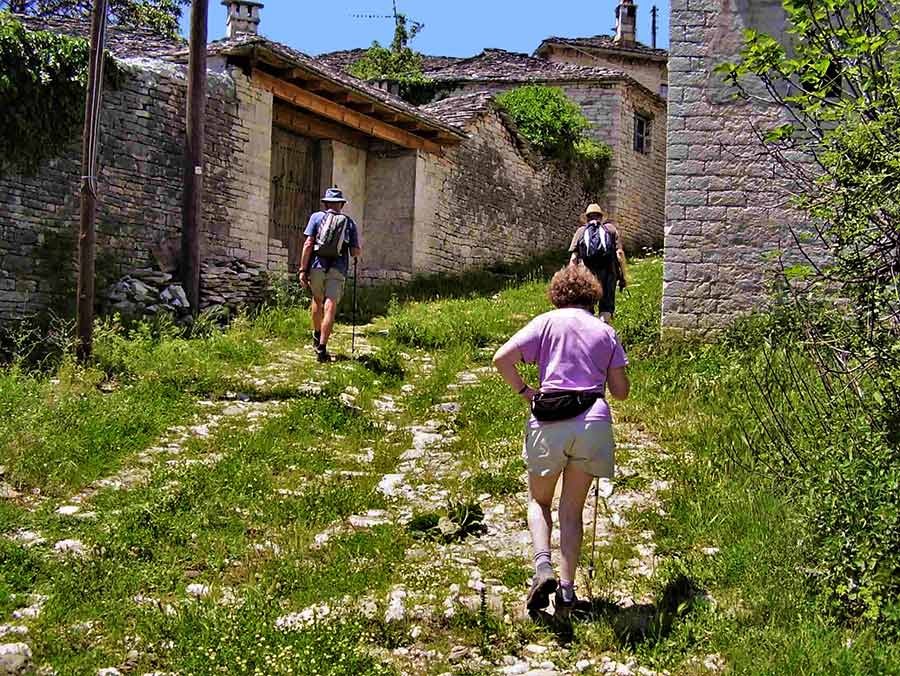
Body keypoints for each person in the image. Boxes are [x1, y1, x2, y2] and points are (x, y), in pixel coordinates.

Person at [493, 265, 630, 616]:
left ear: (557, 295)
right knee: (572, 510)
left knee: (539, 501)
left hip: (548, 421)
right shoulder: (605, 331)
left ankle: (542, 567)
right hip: (592, 421)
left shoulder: (546, 323)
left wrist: (526, 391)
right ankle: (567, 592)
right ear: (592, 296)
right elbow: (621, 391)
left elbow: (502, 358)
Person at [298, 187, 361, 363]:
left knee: (317, 300)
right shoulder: (349, 223)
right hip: (338, 268)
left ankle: (316, 336)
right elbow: (355, 251)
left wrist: (303, 269)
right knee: (330, 304)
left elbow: (308, 244)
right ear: (341, 205)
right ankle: (322, 348)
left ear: (325, 203)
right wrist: (352, 251)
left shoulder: (316, 217)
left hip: (317, 266)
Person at [569, 204, 627, 322]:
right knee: (606, 306)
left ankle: (588, 335)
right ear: (601, 217)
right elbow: (619, 254)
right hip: (609, 273)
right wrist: (623, 276)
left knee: (586, 306)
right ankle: (603, 332)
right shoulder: (610, 229)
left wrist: (572, 278)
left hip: (586, 274)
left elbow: (573, 259)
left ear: (587, 218)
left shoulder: (580, 231)